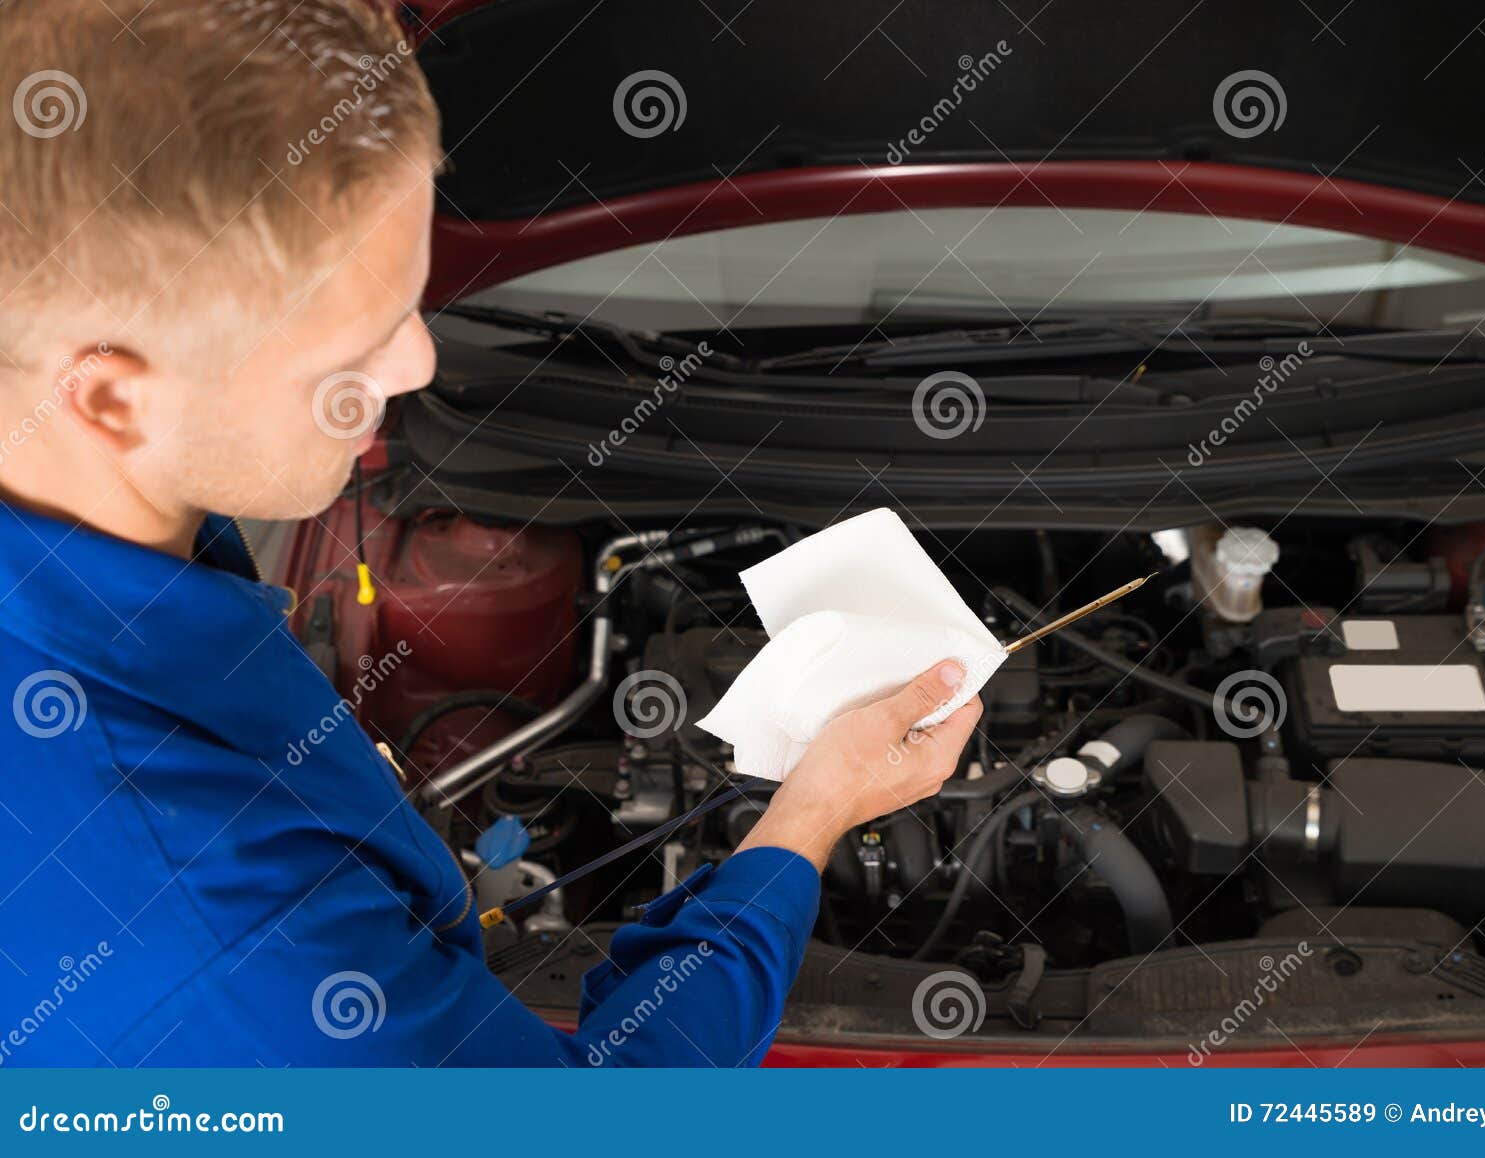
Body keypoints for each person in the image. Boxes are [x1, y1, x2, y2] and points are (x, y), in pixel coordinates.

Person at [0, 0, 981, 1065]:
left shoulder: (107, 511)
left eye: (415, 300)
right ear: (113, 400)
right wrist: (809, 817)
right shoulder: (225, 935)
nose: (420, 364)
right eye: (359, 341)